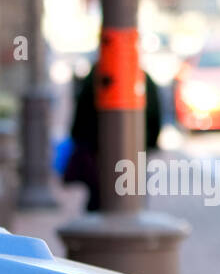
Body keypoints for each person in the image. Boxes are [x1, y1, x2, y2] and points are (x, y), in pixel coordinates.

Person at [65, 64, 163, 212]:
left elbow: (80, 120)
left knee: (99, 200)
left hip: (98, 156)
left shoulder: (96, 75)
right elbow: (155, 119)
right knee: (134, 199)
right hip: (133, 156)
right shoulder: (142, 78)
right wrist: (147, 144)